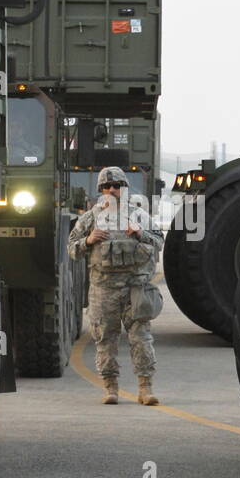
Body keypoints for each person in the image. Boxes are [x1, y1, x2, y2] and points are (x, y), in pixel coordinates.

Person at [68, 165, 164, 405]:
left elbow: (159, 242)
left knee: (141, 339)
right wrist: (88, 240)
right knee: (105, 340)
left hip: (135, 287)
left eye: (118, 186)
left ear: (125, 189)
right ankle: (110, 388)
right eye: (107, 186)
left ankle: (145, 388)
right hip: (103, 289)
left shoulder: (139, 216)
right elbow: (71, 249)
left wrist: (140, 234)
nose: (113, 190)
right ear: (101, 190)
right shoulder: (90, 217)